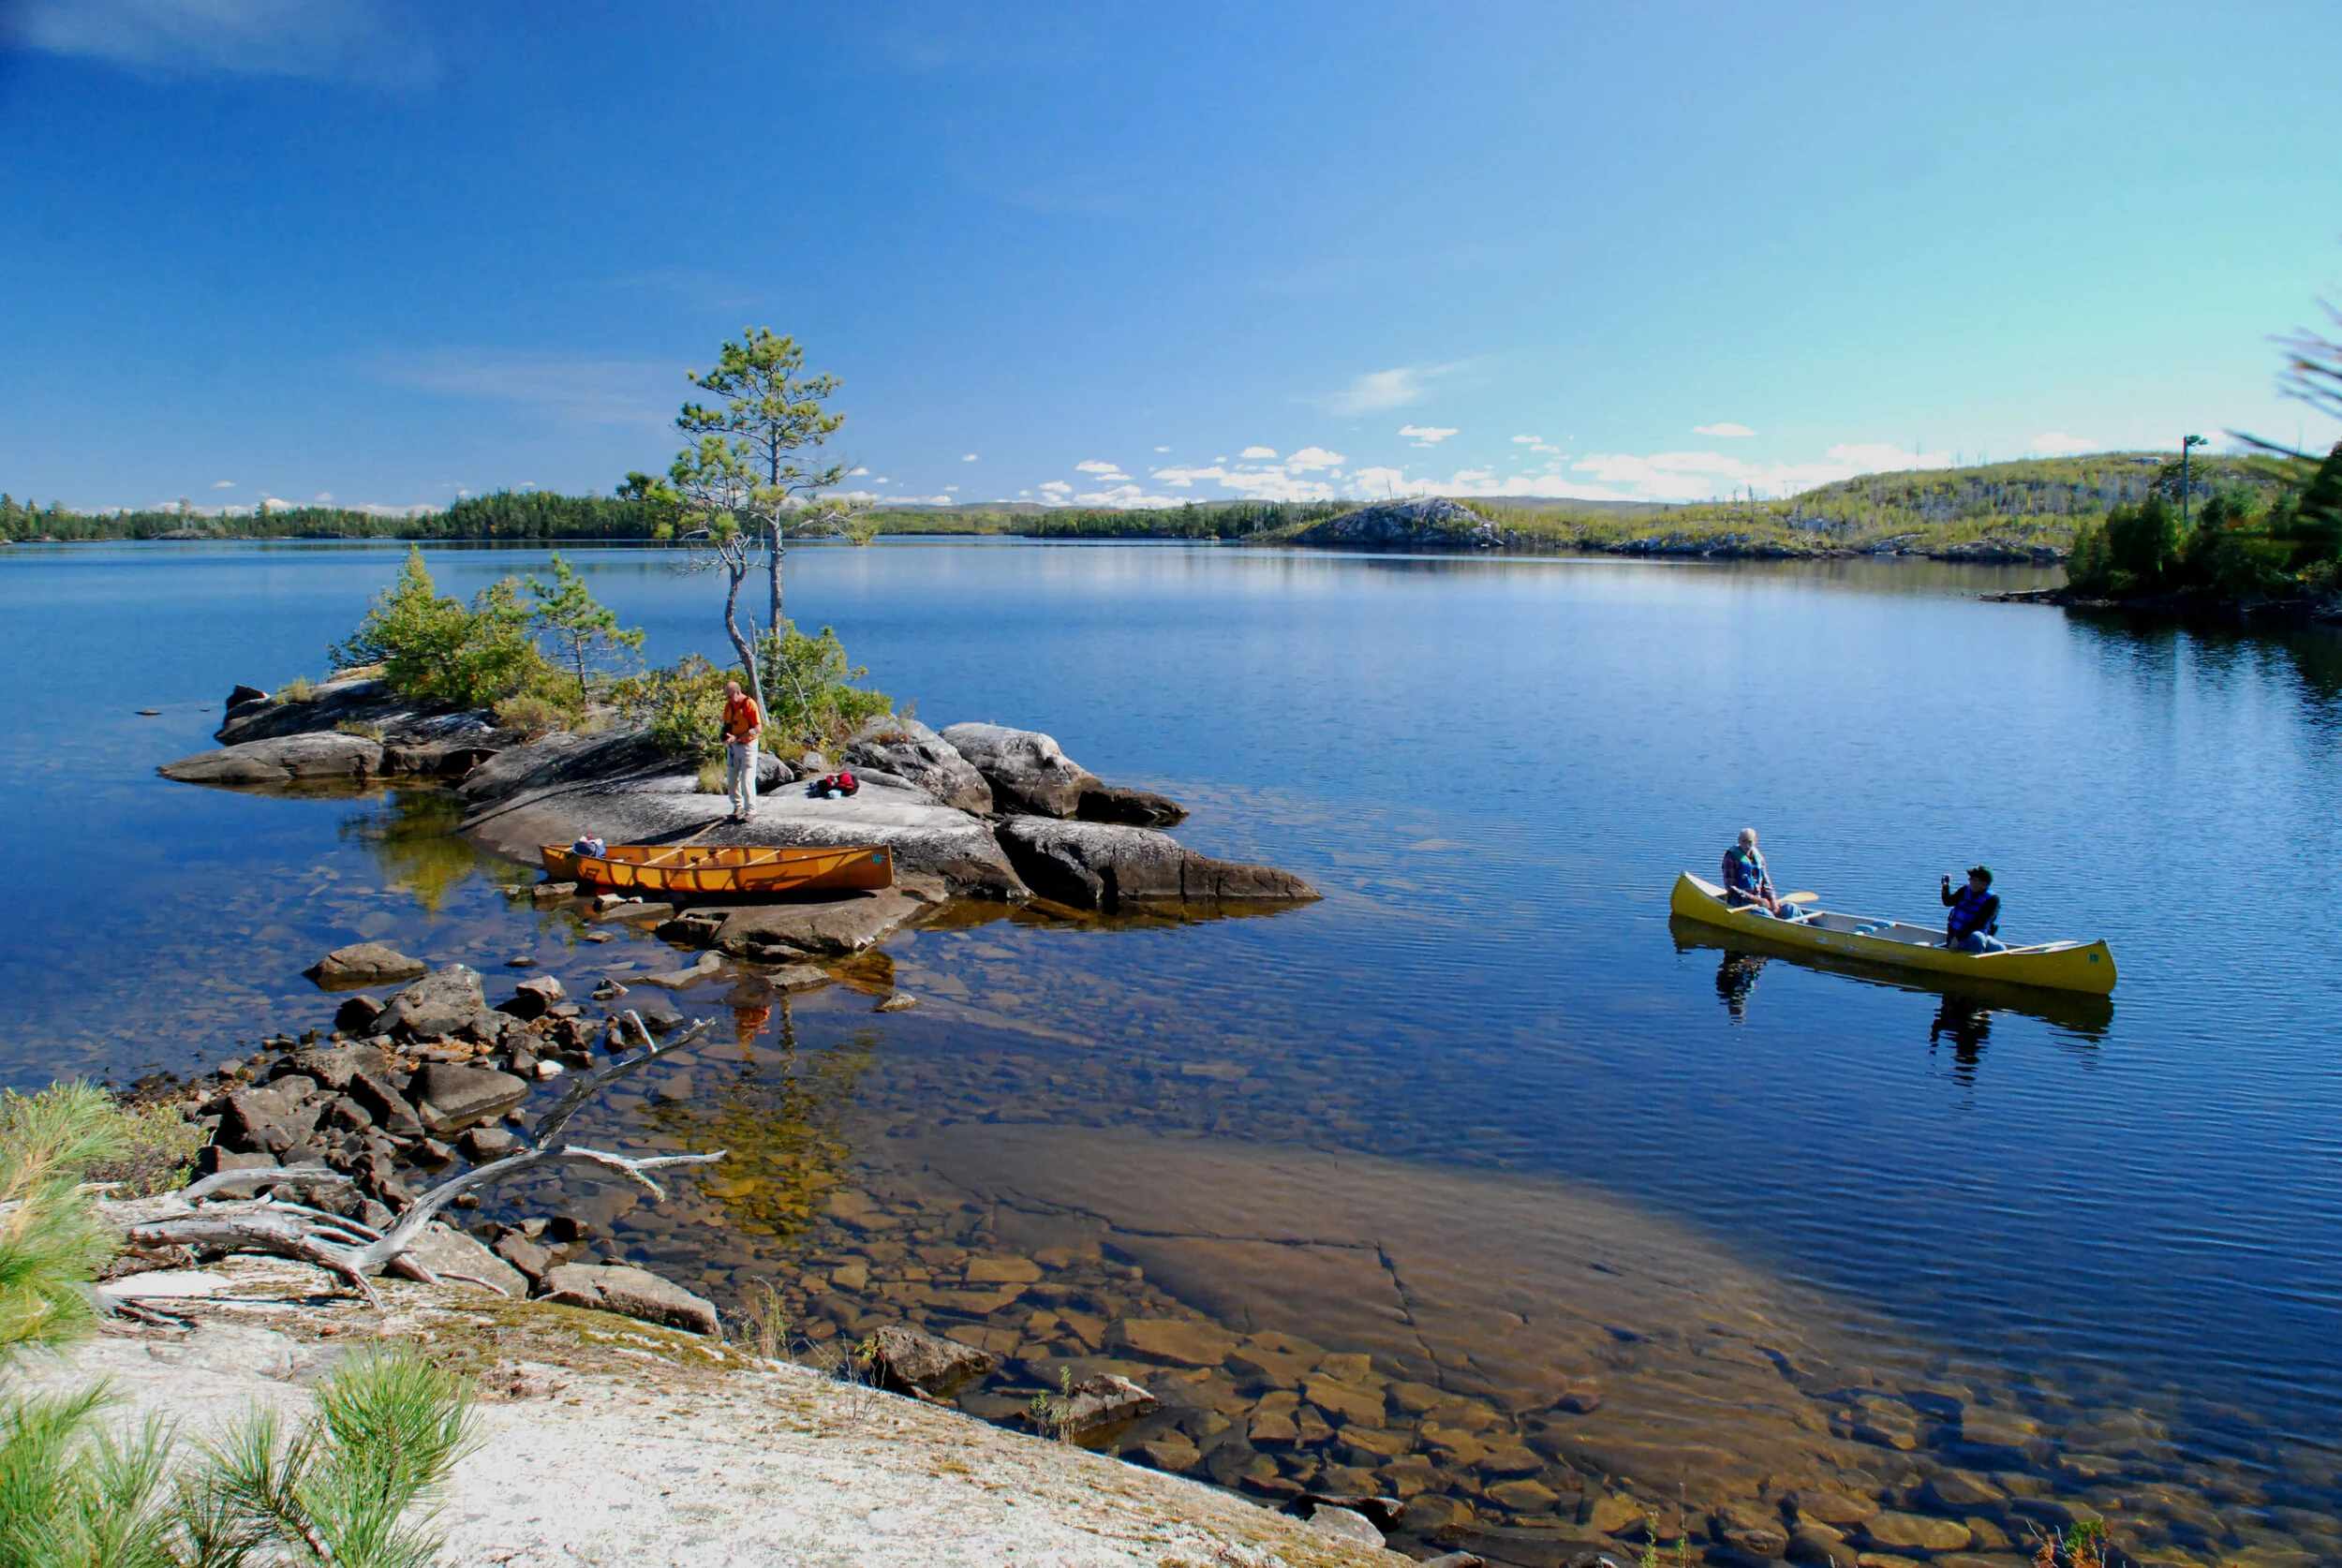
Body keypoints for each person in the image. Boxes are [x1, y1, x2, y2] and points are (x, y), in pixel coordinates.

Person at [1721, 828, 1800, 919]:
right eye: (1744, 841)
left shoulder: (1758, 857)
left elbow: (1766, 883)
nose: (1746, 845)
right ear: (1739, 840)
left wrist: (1772, 900)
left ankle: (1805, 926)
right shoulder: (1731, 858)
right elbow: (1731, 888)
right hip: (1741, 902)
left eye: (1750, 842)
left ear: (1755, 841)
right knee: (1766, 914)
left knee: (1792, 908)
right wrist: (1755, 900)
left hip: (1761, 900)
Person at [721, 680, 762, 823]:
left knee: (747, 778)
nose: (728, 699)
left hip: (748, 745)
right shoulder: (729, 706)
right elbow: (726, 724)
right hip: (733, 747)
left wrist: (738, 737)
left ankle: (751, 810)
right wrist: (725, 735)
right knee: (732, 778)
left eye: (730, 696)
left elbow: (757, 728)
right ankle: (737, 806)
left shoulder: (749, 704)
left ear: (738, 693)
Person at [1941, 865, 2007, 952]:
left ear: (1983, 884)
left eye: (1973, 879)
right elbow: (1948, 902)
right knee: (1977, 939)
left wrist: (1958, 938)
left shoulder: (1992, 900)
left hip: (1970, 936)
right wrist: (1946, 886)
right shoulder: (1964, 890)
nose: (1969, 881)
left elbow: (1979, 924)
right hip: (1955, 937)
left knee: (2000, 948)